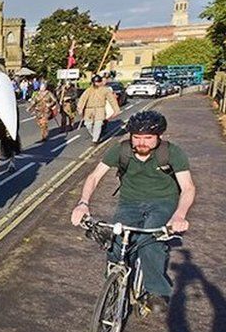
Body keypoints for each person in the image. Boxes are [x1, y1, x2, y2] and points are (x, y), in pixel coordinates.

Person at [69, 110, 195, 311]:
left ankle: (156, 291)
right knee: (116, 242)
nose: (141, 143)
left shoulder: (172, 153)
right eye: (136, 137)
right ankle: (115, 283)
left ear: (159, 136)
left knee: (150, 242)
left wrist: (179, 215)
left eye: (148, 138)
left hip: (163, 202)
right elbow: (94, 177)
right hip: (130, 202)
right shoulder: (121, 151)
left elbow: (188, 188)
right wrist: (83, 203)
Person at [77, 74, 120, 143]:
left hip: (100, 109)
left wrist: (116, 110)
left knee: (98, 124)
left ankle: (95, 140)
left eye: (97, 82)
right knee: (88, 125)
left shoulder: (105, 90)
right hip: (89, 110)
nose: (96, 84)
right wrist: (80, 108)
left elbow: (112, 100)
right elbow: (82, 99)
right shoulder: (88, 90)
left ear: (100, 82)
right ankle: (95, 135)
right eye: (95, 82)